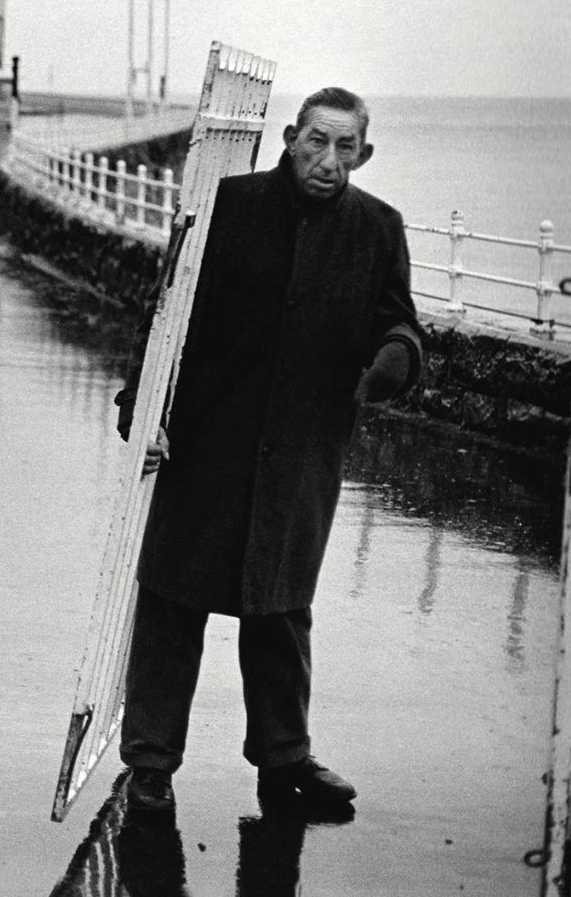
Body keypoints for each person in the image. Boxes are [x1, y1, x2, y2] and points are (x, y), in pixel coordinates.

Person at [114, 87, 424, 815]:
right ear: (290, 137)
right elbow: (164, 315)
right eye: (317, 140)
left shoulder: (379, 229)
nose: (329, 160)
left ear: (364, 155)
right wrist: (142, 408)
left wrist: (395, 358)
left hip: (301, 452)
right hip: (205, 440)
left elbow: (400, 324)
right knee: (171, 604)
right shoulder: (227, 207)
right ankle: (150, 764)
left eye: (346, 148)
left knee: (281, 610)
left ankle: (285, 760)